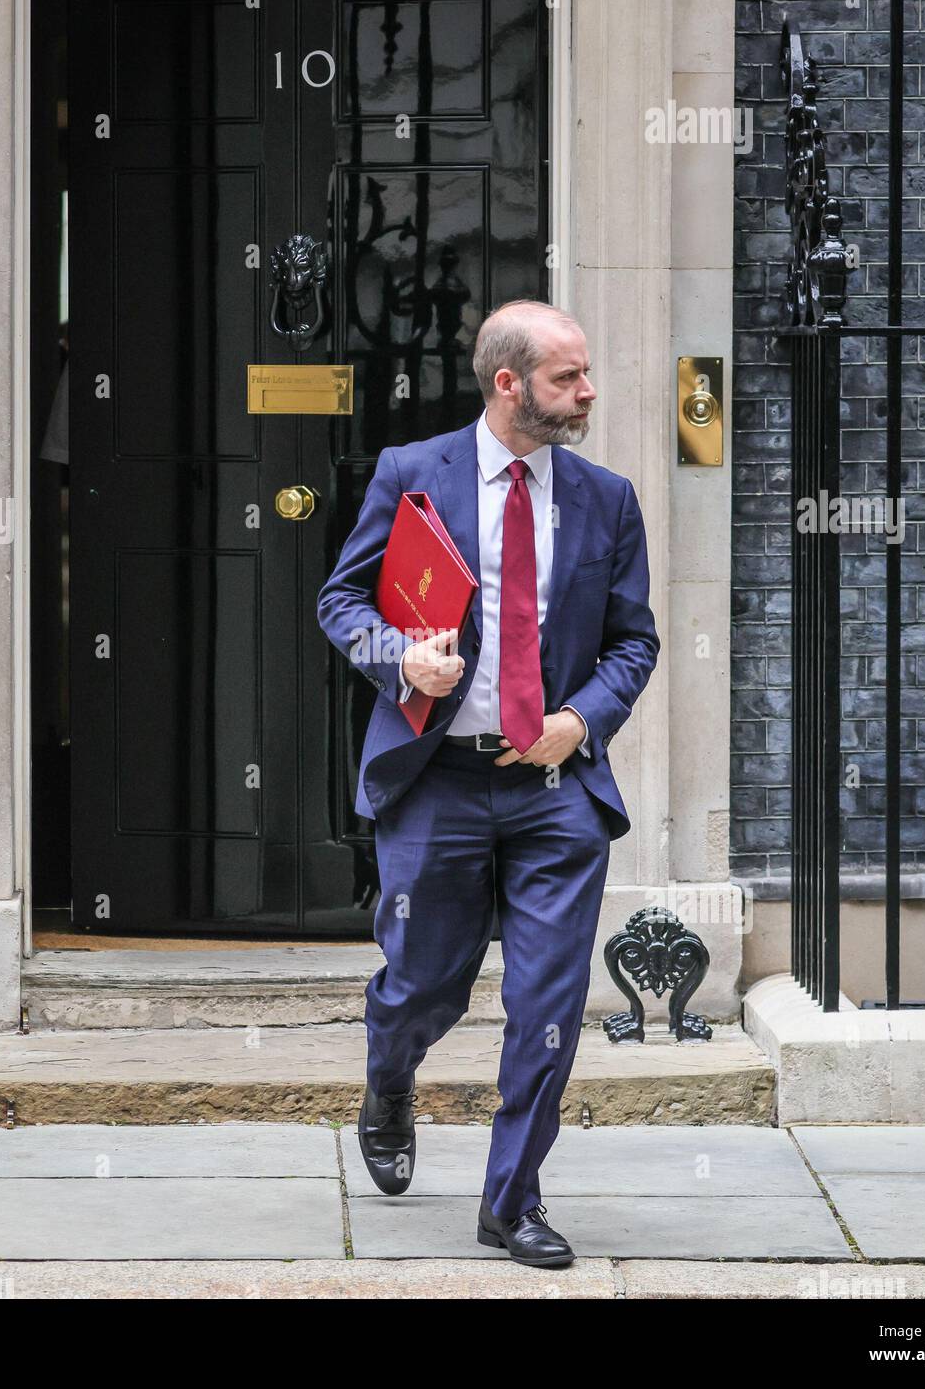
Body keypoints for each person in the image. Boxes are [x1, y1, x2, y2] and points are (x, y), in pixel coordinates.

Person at [316, 299, 660, 1268]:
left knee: (546, 1003)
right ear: (507, 383)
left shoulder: (606, 497)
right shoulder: (409, 473)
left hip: (555, 794)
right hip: (437, 782)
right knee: (424, 984)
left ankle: (511, 1199)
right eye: (566, 377)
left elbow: (634, 642)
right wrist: (397, 659)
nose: (587, 391)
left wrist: (576, 722)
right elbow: (339, 598)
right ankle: (390, 1077)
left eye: (585, 372)